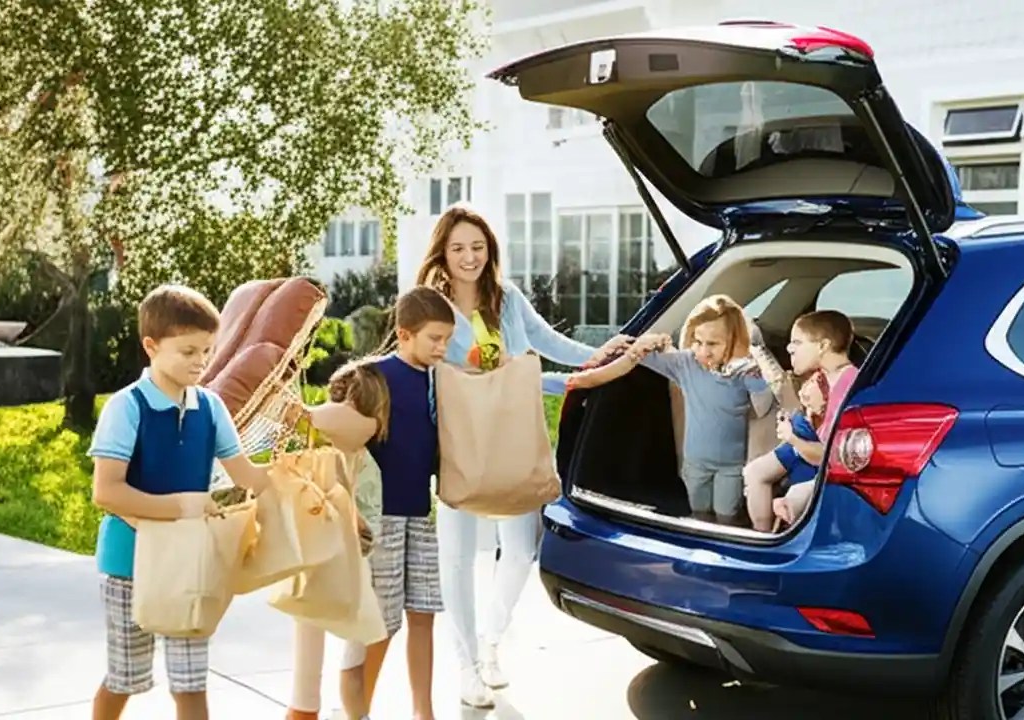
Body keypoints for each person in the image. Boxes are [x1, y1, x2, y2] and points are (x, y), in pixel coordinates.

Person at [417, 204, 630, 707]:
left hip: (512, 440)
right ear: (442, 254)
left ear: (489, 250)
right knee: (456, 558)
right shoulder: (430, 306)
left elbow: (546, 344)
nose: (469, 257)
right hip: (459, 444)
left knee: (519, 549)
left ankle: (491, 640)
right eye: (458, 248)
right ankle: (467, 666)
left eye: (477, 247)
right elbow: (422, 367)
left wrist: (603, 355)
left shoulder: (506, 298)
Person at [88, 284, 271, 720]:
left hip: (190, 563)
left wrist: (303, 478)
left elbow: (248, 477)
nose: (201, 361)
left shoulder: (211, 407)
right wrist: (184, 506)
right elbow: (106, 492)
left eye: (207, 350)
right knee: (125, 678)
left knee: (191, 683)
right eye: (188, 351)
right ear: (151, 346)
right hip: (130, 566)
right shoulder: (127, 407)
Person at [320, 287, 456, 720]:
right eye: (434, 338)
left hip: (421, 513)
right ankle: (357, 711)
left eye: (447, 339)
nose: (442, 347)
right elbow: (341, 440)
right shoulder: (374, 378)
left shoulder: (440, 381)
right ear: (404, 334)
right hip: (382, 518)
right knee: (378, 623)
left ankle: (423, 712)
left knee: (424, 613)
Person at [566, 294, 771, 526]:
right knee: (697, 514)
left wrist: (756, 370)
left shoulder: (744, 373)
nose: (703, 351)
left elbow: (764, 406)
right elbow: (642, 359)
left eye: (713, 344)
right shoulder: (686, 364)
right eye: (698, 341)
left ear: (734, 341)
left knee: (726, 517)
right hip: (695, 464)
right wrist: (642, 344)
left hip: (732, 465)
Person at [285, 360, 387, 720]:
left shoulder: (351, 453)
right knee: (331, 663)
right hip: (340, 567)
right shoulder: (338, 452)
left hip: (335, 564)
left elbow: (318, 417)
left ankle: (322, 711)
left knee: (321, 663)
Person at [742, 310, 857, 531]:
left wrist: (791, 437)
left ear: (823, 346)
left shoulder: (845, 385)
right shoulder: (822, 377)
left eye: (797, 342)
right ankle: (762, 534)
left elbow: (829, 457)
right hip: (807, 440)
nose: (790, 348)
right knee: (755, 472)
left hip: (824, 458)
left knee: (795, 494)